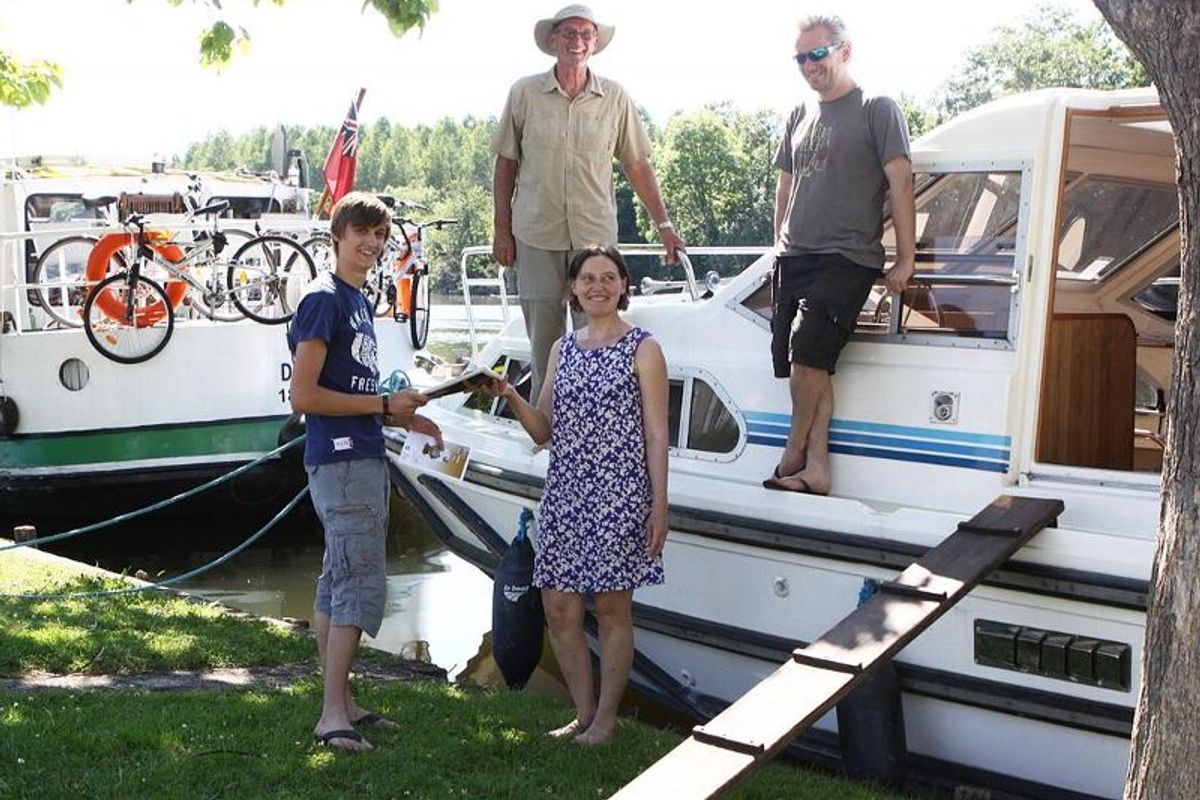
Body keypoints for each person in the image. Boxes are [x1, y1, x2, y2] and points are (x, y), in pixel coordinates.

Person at [480, 244, 669, 745]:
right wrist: (511, 395)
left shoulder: (643, 348)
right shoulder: (562, 349)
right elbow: (543, 431)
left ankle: (606, 722)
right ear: (573, 288)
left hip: (620, 493)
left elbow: (655, 435)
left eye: (609, 277)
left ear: (624, 286)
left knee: (611, 609)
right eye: (588, 278)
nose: (598, 286)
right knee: (559, 606)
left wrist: (659, 505)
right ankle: (583, 715)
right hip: (565, 491)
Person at [287, 191, 442, 752]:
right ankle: (333, 717)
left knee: (337, 580)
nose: (373, 243)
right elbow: (301, 395)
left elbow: (351, 386)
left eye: (381, 234)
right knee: (355, 581)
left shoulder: (356, 299)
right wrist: (380, 409)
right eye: (363, 232)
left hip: (362, 450)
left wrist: (401, 417)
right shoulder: (324, 299)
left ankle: (343, 700)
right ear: (339, 235)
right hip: (343, 458)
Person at [491, 4, 686, 401]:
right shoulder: (524, 92)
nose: (576, 41)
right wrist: (501, 228)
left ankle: (596, 413)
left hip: (594, 239)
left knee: (598, 332)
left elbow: (637, 164)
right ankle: (545, 429)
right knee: (545, 339)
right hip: (535, 233)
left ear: (595, 43)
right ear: (552, 41)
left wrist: (664, 226)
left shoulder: (615, 97)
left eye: (585, 34)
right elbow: (505, 164)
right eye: (568, 33)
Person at [763, 13, 916, 496]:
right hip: (795, 256)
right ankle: (817, 469)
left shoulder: (877, 108)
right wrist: (776, 246)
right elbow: (785, 186)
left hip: (847, 256)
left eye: (818, 54)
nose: (809, 65)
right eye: (801, 57)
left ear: (844, 52)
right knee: (807, 363)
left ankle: (793, 448)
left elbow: (901, 181)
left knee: (808, 351)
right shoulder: (797, 114)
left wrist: (905, 258)